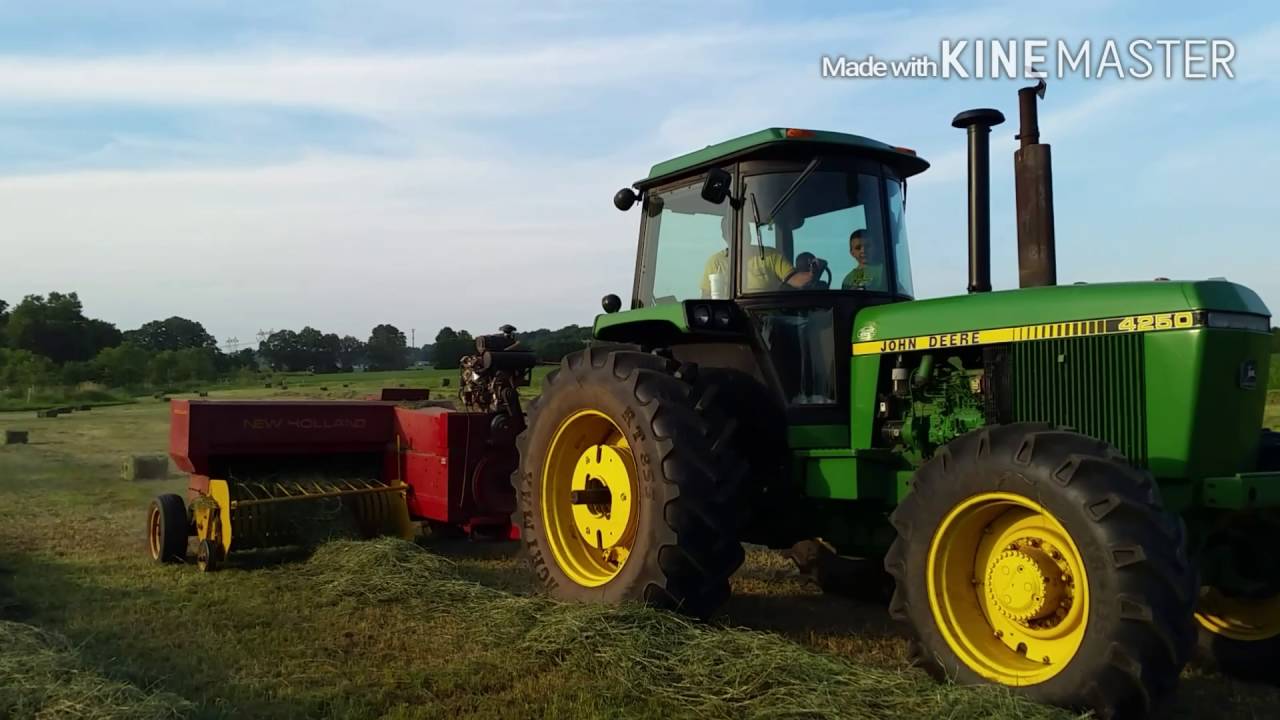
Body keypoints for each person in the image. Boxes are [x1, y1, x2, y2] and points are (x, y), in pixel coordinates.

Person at [701, 214, 812, 296]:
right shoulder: (715, 262)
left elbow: (795, 279)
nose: (740, 234)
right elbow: (706, 296)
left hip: (769, 315)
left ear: (750, 232)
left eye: (745, 229)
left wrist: (812, 274)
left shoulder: (771, 255)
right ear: (725, 236)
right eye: (733, 231)